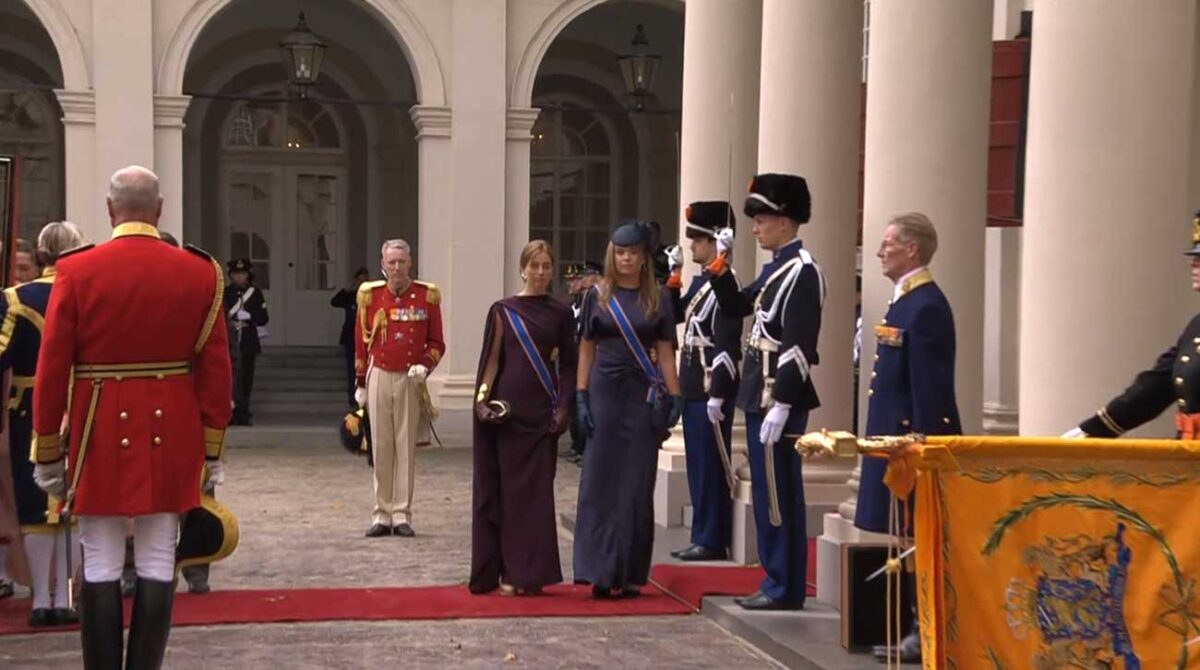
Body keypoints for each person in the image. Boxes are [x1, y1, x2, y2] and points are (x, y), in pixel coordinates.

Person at [32, 165, 232, 669]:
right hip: (174, 428)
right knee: (159, 554)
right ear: (159, 210)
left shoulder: (76, 270)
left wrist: (48, 448)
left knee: (99, 555)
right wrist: (210, 449)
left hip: (98, 423)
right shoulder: (200, 271)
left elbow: (52, 366)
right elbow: (216, 371)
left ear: (108, 209)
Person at [708, 174, 824, 611]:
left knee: (779, 493)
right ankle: (777, 578)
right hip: (761, 393)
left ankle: (784, 585)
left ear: (784, 220)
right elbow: (737, 306)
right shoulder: (777, 269)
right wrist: (722, 263)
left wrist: (784, 402)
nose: (755, 227)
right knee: (767, 490)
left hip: (778, 394)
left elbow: (798, 346)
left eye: (761, 219)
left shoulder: (802, 272)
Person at [855, 212, 961, 664]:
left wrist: (922, 444)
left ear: (912, 249)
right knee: (906, 537)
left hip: (911, 444)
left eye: (888, 244)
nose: (880, 252)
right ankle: (915, 624)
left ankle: (925, 627)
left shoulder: (927, 306)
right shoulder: (904, 302)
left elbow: (930, 386)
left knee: (920, 537)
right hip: (893, 441)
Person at [573, 220, 683, 599]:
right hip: (604, 391)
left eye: (632, 253)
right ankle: (600, 571)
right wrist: (581, 395)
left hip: (641, 395)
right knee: (599, 482)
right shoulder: (597, 295)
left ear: (643, 258)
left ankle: (630, 571)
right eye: (620, 253)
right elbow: (586, 346)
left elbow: (666, 352)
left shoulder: (660, 299)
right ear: (612, 255)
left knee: (636, 483)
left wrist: (676, 396)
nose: (625, 259)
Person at [470, 240, 576, 596]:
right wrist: (482, 403)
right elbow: (492, 363)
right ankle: (510, 572)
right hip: (508, 417)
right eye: (535, 265)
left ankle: (534, 574)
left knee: (537, 499)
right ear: (523, 268)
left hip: (542, 416)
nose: (541, 272)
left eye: (547, 266)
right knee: (508, 496)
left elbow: (569, 365)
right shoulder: (504, 310)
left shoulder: (561, 313)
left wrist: (564, 407)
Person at [0, 221, 85, 626]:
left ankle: (39, 601)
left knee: (35, 506)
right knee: (74, 503)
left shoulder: (15, 298)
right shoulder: (89, 293)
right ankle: (65, 596)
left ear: (40, 254)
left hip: (28, 406)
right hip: (82, 403)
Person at [1067, 211, 1200, 440]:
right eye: (1194, 260)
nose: (1194, 266)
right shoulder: (1196, 325)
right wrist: (1094, 429)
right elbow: (1157, 385)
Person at [665, 202, 743, 562]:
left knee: (711, 464)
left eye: (697, 239)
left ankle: (712, 537)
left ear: (714, 240)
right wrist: (674, 276)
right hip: (694, 381)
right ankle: (703, 532)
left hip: (712, 383)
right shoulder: (702, 281)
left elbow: (727, 340)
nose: (692, 245)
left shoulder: (726, 283)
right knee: (698, 462)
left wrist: (720, 392)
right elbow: (674, 316)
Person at [355, 239, 444, 538]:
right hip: (379, 373)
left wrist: (425, 365)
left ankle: (402, 513)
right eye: (391, 262)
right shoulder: (371, 296)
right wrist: (359, 383)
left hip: (409, 377)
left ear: (410, 263)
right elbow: (360, 342)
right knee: (380, 446)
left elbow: (436, 342)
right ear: (383, 263)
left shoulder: (426, 296)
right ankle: (381, 513)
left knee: (405, 447)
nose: (396, 268)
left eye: (401, 262)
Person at [224, 258, 268, 426]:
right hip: (231, 339)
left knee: (246, 379)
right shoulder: (226, 293)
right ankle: (230, 412)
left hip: (248, 340)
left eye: (242, 274)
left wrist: (250, 316)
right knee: (231, 379)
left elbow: (264, 317)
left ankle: (243, 412)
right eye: (236, 274)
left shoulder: (255, 293)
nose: (239, 277)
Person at [332, 268, 371, 406]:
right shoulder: (350, 295)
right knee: (352, 369)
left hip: (368, 336)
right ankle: (353, 400)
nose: (362, 283)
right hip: (351, 335)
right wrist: (348, 289)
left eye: (365, 280)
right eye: (360, 280)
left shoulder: (371, 295)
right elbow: (335, 301)